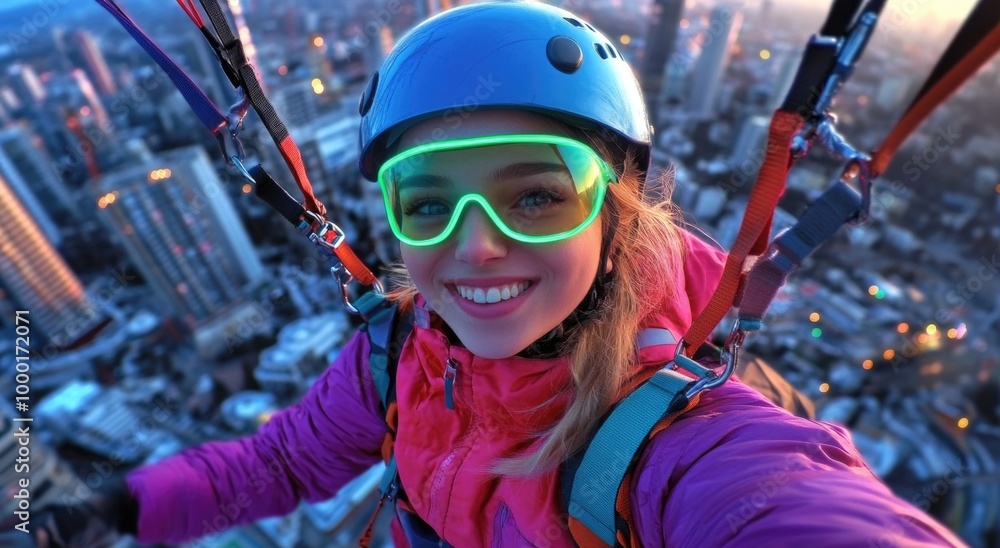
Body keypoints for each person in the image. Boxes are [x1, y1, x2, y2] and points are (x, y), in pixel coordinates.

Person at [25, 2, 964, 546]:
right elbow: (282, 462)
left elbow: (789, 508)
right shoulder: (398, 356)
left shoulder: (684, 441)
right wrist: (123, 507)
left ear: (617, 211)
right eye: (428, 203)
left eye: (536, 196)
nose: (474, 247)